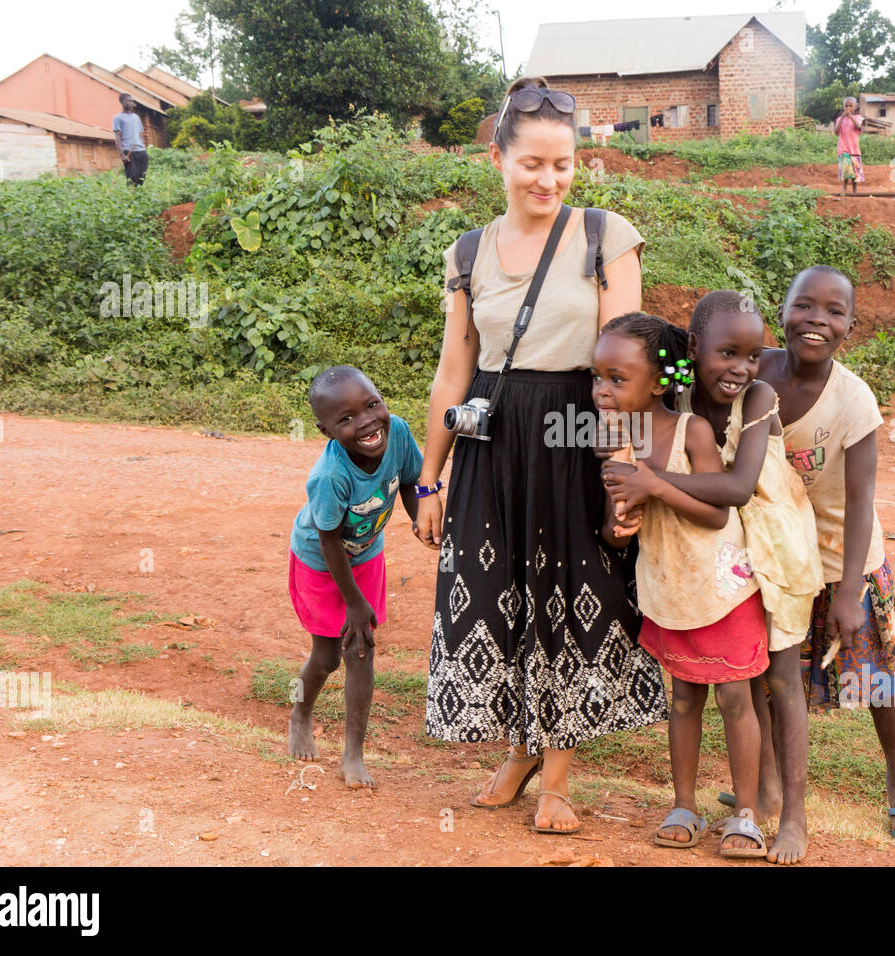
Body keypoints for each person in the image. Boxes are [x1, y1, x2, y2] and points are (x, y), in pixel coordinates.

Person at [416, 77, 669, 835]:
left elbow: (627, 369)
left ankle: (558, 776)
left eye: (562, 165)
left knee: (568, 592)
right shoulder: (469, 252)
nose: (549, 180)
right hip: (492, 441)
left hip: (574, 433)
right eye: (532, 163)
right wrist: (428, 477)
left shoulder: (604, 236)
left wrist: (623, 478)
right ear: (496, 156)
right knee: (498, 595)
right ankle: (520, 748)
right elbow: (453, 371)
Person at [602, 291, 821, 864]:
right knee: (698, 693)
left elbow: (736, 490)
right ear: (694, 348)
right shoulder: (663, 405)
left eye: (752, 354)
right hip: (690, 573)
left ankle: (785, 816)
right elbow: (628, 499)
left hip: (766, 547)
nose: (741, 367)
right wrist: (631, 503)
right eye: (727, 353)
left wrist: (650, 484)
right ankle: (714, 803)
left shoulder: (757, 395)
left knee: (776, 682)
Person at [757, 266, 895, 845]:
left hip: (843, 558)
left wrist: (851, 591)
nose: (817, 320)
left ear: (850, 327)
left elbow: (862, 500)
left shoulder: (853, 399)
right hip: (777, 555)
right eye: (804, 305)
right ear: (779, 311)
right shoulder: (752, 372)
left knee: (876, 677)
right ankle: (769, 787)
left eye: (833, 312)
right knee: (771, 677)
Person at [287, 366, 422, 788]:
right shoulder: (329, 477)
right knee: (327, 657)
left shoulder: (397, 431)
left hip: (366, 556)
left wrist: (425, 525)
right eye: (346, 419)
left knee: (360, 650)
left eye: (371, 405)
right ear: (325, 429)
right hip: (320, 562)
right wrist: (354, 603)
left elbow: (412, 481)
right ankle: (301, 711)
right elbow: (329, 542)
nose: (366, 422)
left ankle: (353, 755)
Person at [112, 93, 148, 186]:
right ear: (122, 102)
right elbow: (117, 137)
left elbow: (141, 135)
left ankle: (139, 198)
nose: (132, 103)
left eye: (132, 101)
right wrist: (122, 155)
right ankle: (131, 198)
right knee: (132, 178)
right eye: (129, 101)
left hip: (141, 151)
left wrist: (144, 148)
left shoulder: (136, 117)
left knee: (142, 177)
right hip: (129, 152)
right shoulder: (118, 118)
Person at [833, 97, 865, 196]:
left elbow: (858, 127)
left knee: (855, 172)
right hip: (843, 148)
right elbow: (836, 131)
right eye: (846, 106)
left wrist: (850, 117)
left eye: (850, 106)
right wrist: (842, 117)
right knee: (846, 171)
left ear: (855, 107)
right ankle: (844, 188)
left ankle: (855, 190)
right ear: (843, 107)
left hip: (854, 149)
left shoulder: (858, 118)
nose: (848, 108)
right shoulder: (839, 119)